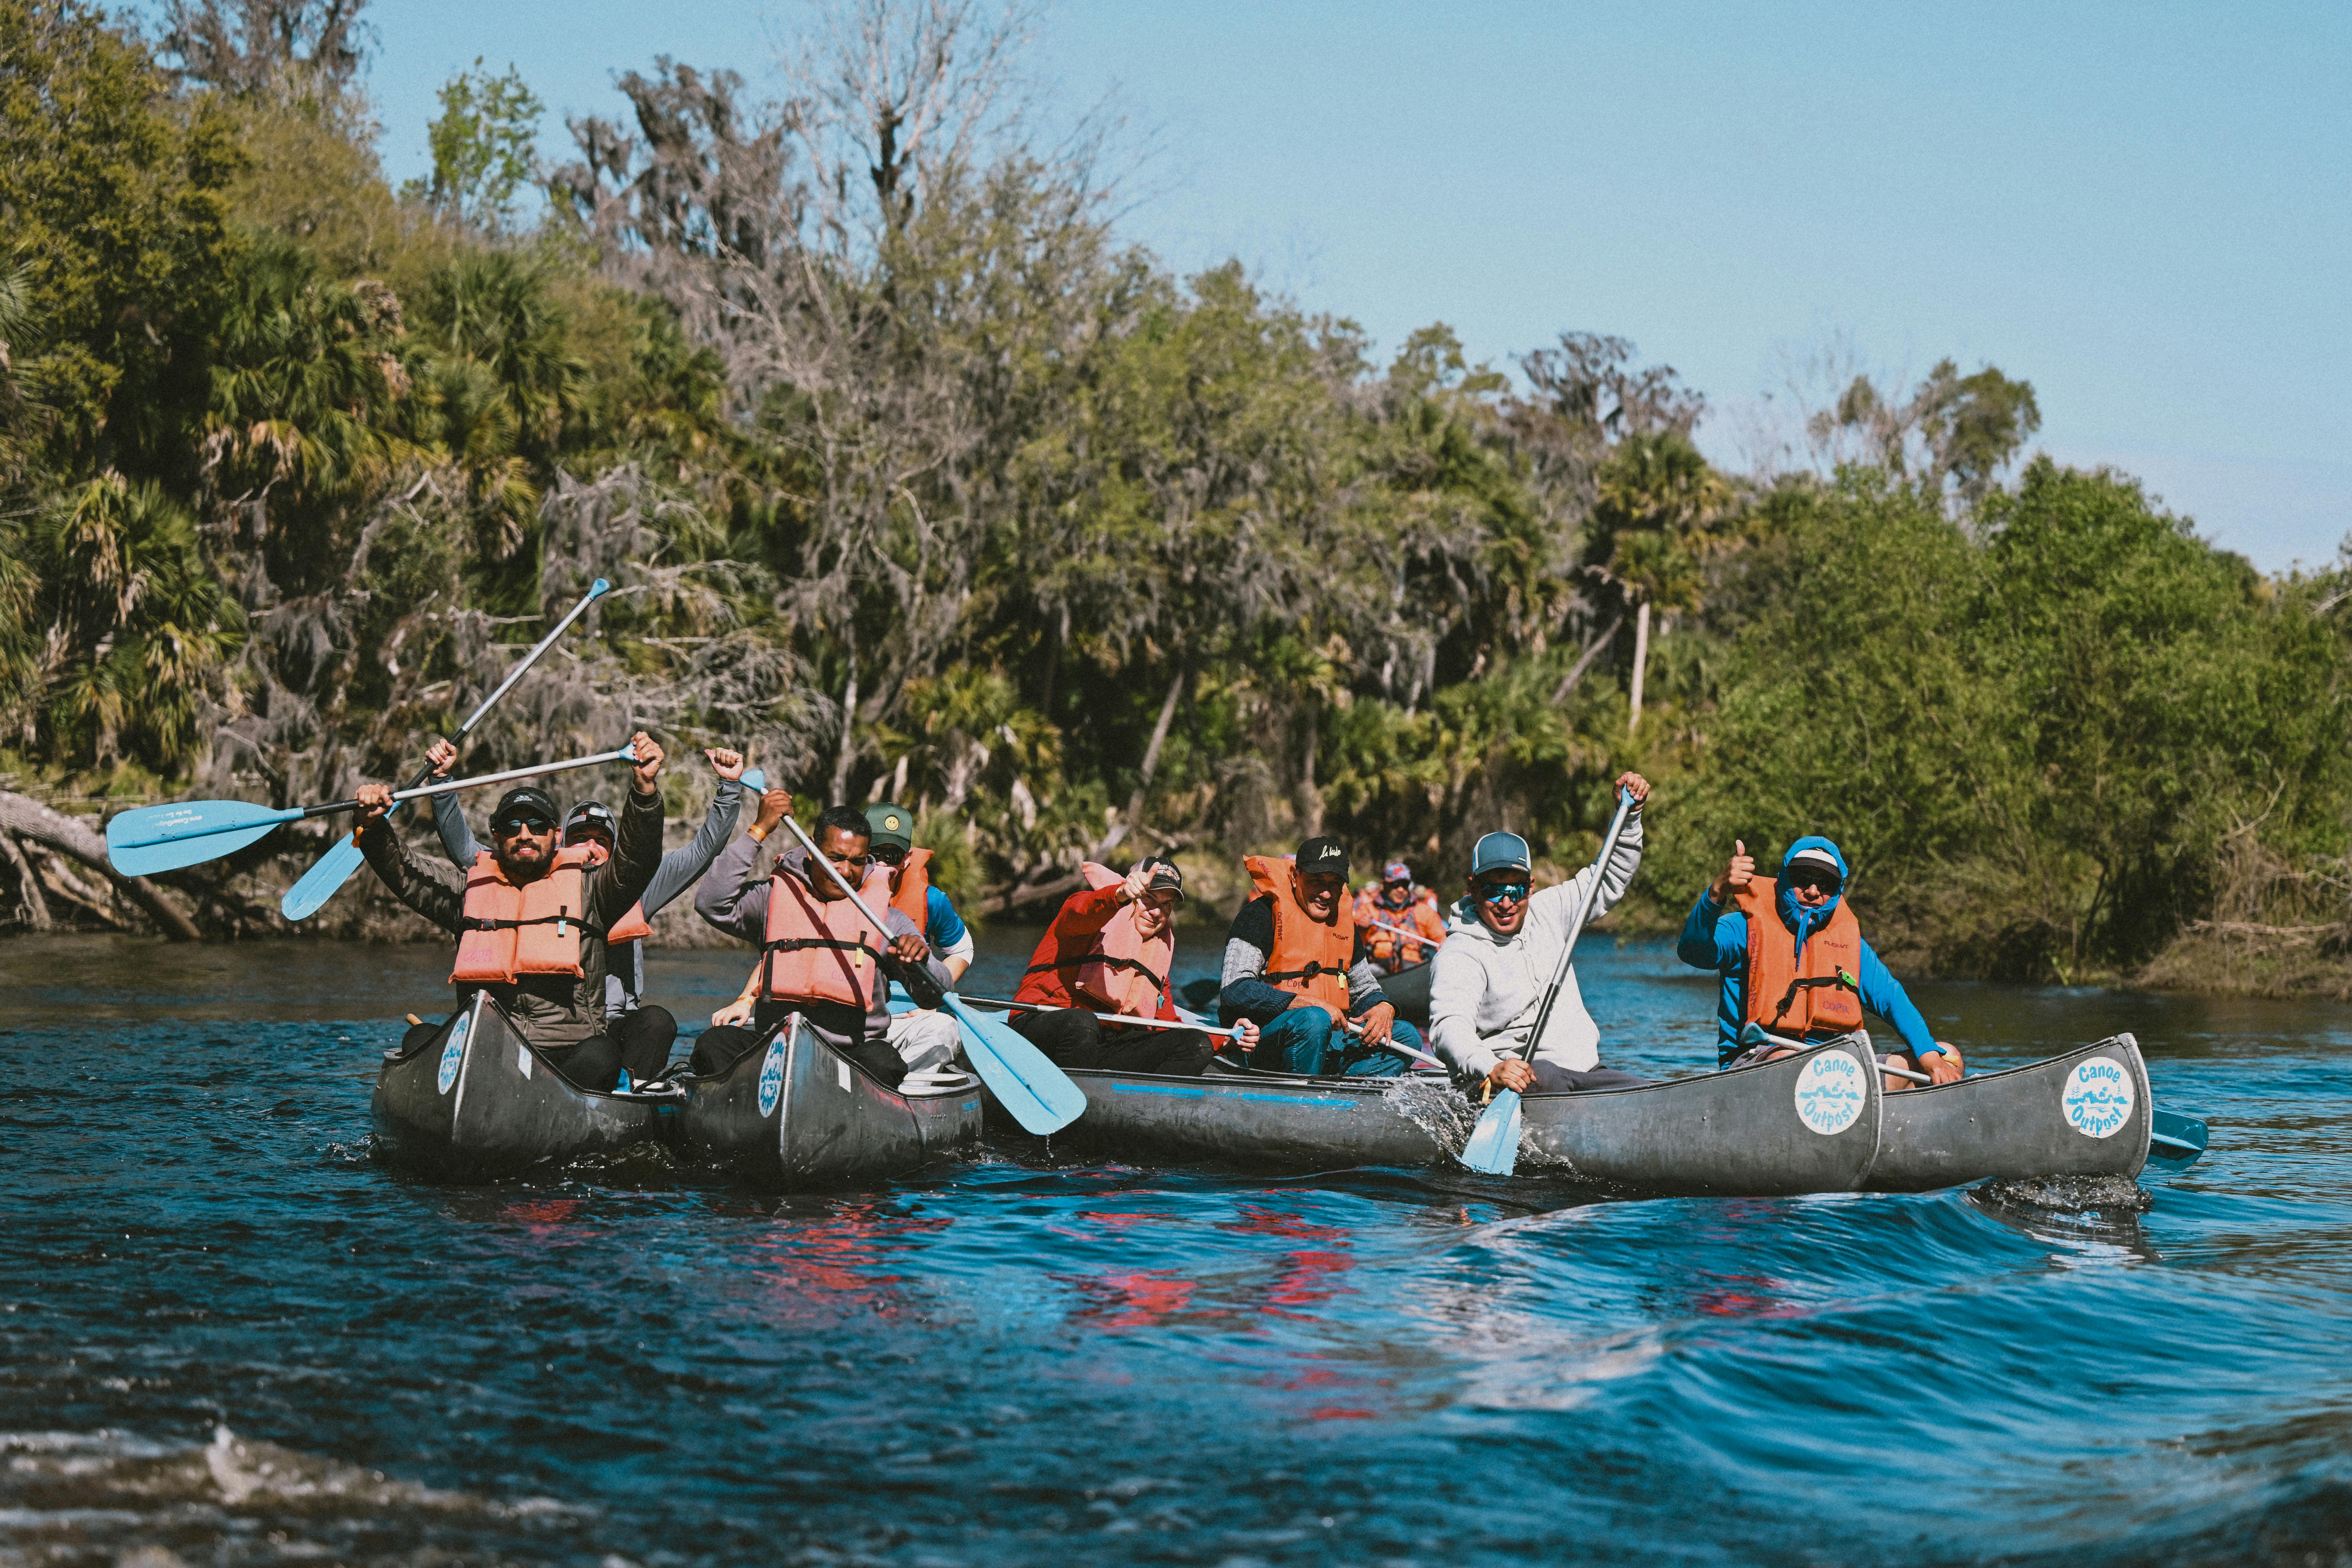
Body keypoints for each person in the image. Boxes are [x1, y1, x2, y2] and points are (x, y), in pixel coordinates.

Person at [422, 737, 752, 1084]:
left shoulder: (636, 887)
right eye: (582, 839)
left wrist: (729, 787)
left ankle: (628, 1095)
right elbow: (465, 852)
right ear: (561, 844)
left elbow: (703, 851)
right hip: (554, 1030)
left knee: (657, 1021)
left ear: (615, 849)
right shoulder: (528, 876)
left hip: (613, 1030)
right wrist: (442, 784)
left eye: (602, 840)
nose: (592, 848)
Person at [360, 733, 669, 1091]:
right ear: (496, 836)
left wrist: (644, 790)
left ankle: (565, 1113)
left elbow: (637, 859)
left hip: (566, 1053)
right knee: (419, 1040)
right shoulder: (470, 891)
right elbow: (407, 874)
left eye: (537, 826)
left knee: (602, 1054)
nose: (524, 835)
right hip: (488, 1046)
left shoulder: (592, 893)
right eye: (511, 827)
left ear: (555, 836)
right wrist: (372, 825)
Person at [693, 797, 959, 1089]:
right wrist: (759, 829)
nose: (845, 871)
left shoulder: (889, 921)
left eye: (858, 862)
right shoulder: (770, 900)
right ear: (811, 849)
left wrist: (922, 962)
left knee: (885, 1061)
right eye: (835, 858)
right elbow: (712, 902)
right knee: (713, 1044)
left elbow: (938, 994)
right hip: (775, 1047)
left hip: (850, 1054)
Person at [1427, 773, 1654, 1096]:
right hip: (1506, 1081)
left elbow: (1608, 877)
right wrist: (1490, 1066)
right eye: (1493, 890)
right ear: (1473, 889)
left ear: (1530, 887)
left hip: (1584, 1071)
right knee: (1545, 1073)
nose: (1506, 903)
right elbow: (1449, 1027)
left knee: (1651, 1090)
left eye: (1515, 889)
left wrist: (1629, 817)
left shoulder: (1549, 910)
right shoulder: (1459, 952)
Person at [1677, 835, 1962, 1090]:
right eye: (1803, 879)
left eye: (1825, 884)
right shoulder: (1743, 928)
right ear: (1786, 879)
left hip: (1838, 1072)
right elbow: (1693, 952)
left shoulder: (1850, 945)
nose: (1813, 891)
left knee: (1947, 1056)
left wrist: (1930, 1058)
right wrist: (1716, 893)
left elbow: (1892, 998)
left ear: (1836, 890)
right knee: (1796, 1064)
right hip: (1756, 1063)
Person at [1008, 857, 1258, 1074]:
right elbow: (1080, 912)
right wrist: (1120, 894)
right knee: (1083, 1024)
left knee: (1196, 1043)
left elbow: (1166, 1023)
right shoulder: (1088, 911)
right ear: (1132, 892)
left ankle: (1144, 1113)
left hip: (1103, 1043)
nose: (1157, 912)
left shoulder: (1156, 954)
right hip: (1041, 1026)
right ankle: (1074, 1108)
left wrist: (1226, 1039)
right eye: (1149, 898)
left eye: (1167, 904)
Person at [1219, 836, 1427, 1077]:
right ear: (1296, 877)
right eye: (1317, 881)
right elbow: (1234, 989)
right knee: (1314, 1018)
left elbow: (1366, 990)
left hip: (1327, 1041)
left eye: (1335, 884)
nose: (1327, 894)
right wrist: (1308, 1002)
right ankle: (1302, 1097)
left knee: (1407, 1035)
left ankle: (1352, 1095)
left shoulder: (1344, 924)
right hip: (1262, 1043)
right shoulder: (1259, 915)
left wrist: (1384, 1007)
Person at [861, 801, 976, 984]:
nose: (882, 863)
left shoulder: (932, 901)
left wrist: (933, 997)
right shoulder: (837, 891)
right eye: (873, 853)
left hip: (911, 1007)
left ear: (906, 859)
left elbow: (962, 950)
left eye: (892, 856)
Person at [1357, 858, 1447, 973]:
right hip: (1379, 977)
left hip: (1413, 975)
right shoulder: (1368, 910)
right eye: (1395, 884)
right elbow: (1351, 945)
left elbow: (1442, 938)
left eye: (1405, 885)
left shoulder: (1423, 911)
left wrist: (1444, 945)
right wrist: (1362, 930)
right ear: (1384, 885)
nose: (1400, 890)